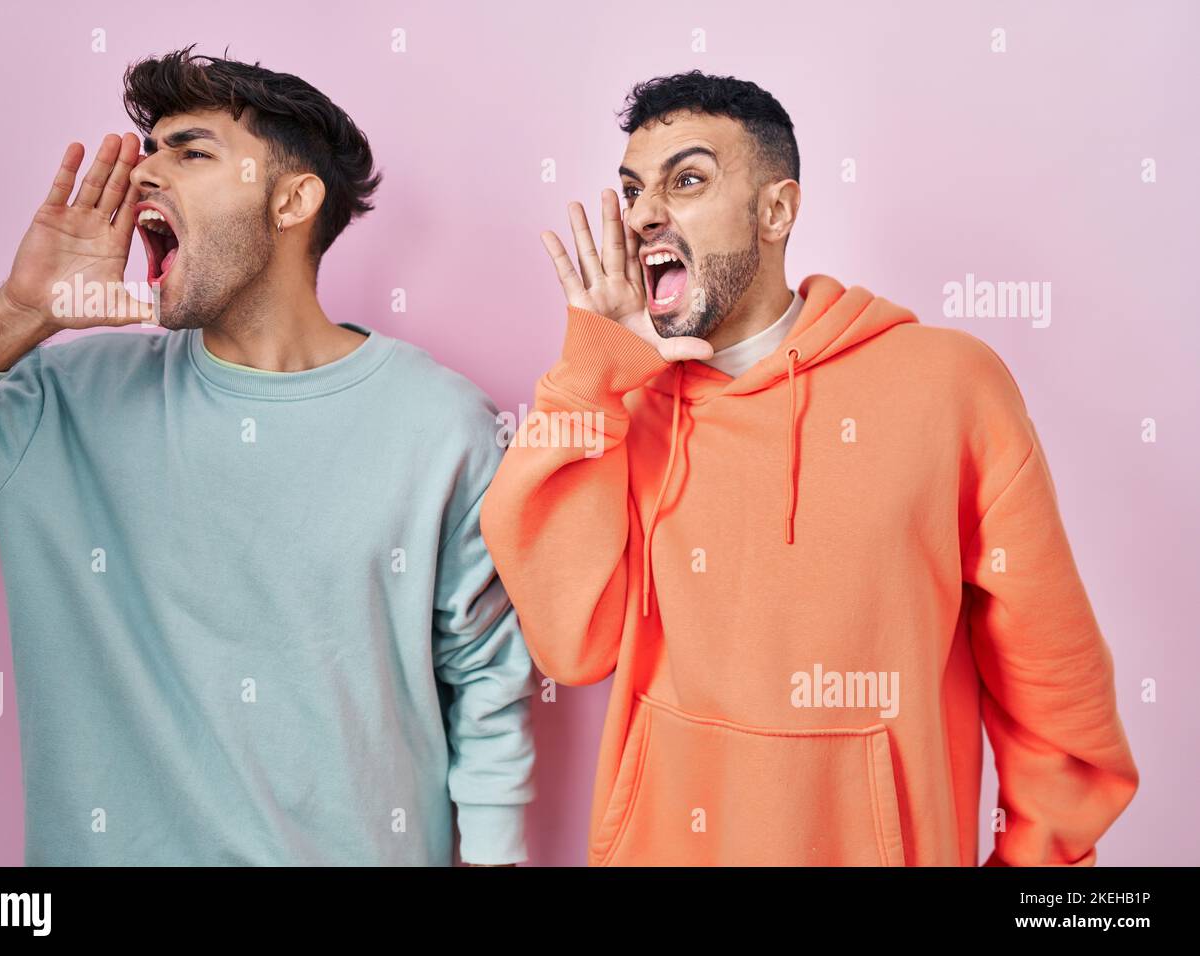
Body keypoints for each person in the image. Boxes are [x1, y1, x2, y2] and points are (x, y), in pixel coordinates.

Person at [478, 70, 1137, 866]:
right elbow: (570, 646)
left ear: (778, 210)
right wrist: (592, 372)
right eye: (632, 190)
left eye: (686, 180)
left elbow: (1053, 679)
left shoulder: (948, 384)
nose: (645, 212)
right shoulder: (628, 404)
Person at [0, 46, 534, 866]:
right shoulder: (55, 402)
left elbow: (485, 674)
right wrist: (19, 315)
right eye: (149, 148)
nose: (141, 175)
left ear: (293, 200)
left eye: (192, 151)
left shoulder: (441, 423)